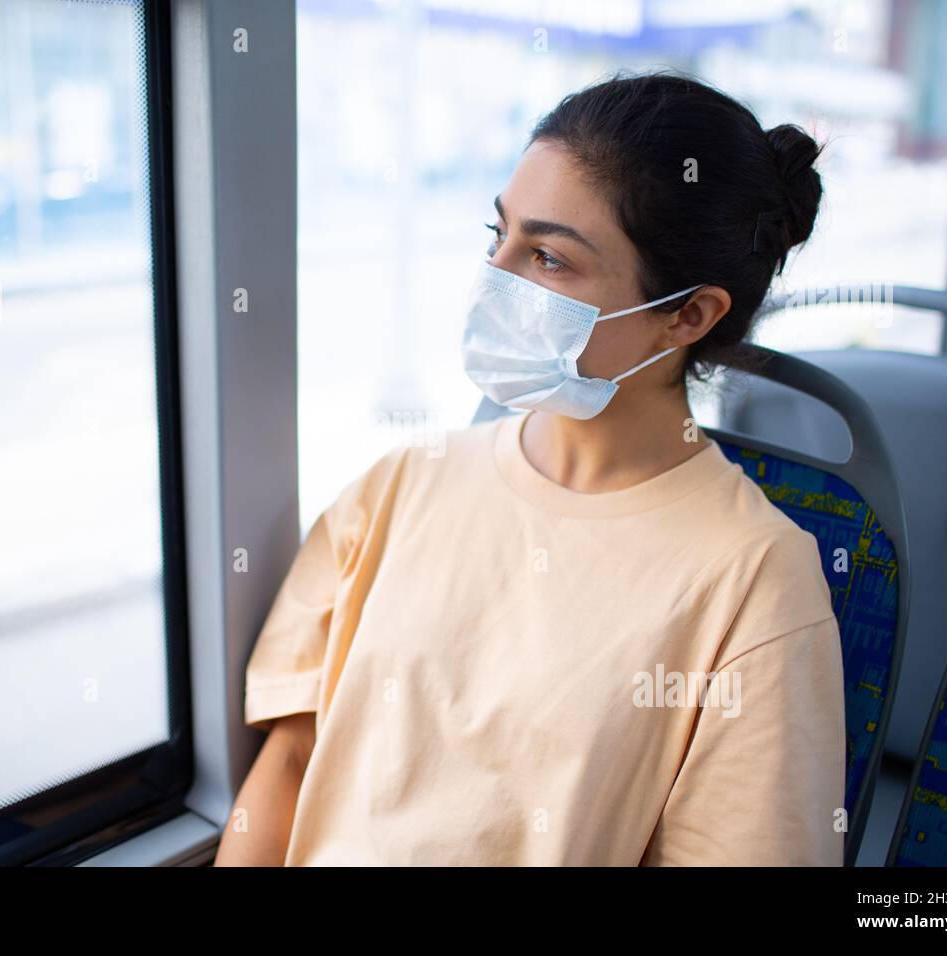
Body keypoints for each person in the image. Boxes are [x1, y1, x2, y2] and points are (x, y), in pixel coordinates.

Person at [215, 70, 846, 866]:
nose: (495, 277)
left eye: (548, 258)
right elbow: (292, 764)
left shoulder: (754, 580)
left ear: (688, 314)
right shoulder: (402, 486)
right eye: (498, 234)